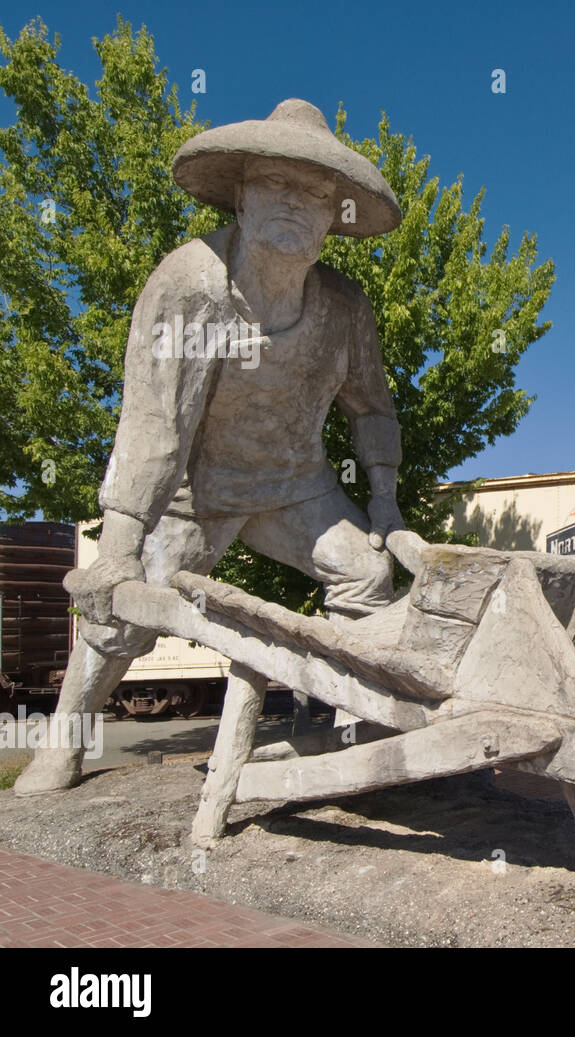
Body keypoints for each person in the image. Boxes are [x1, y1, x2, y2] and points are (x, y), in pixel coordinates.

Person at [16, 99, 406, 795]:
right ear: (242, 197)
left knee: (368, 575)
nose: (293, 204)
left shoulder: (345, 308)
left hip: (296, 484)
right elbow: (152, 423)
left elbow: (372, 406)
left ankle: (359, 727)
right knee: (122, 615)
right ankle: (64, 741)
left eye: (313, 194)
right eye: (275, 186)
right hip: (195, 491)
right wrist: (119, 545)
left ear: (332, 219)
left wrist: (385, 505)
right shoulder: (191, 288)